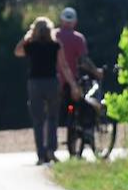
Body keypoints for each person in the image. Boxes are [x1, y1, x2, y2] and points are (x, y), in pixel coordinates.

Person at [14, 17, 81, 165]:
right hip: (52, 82)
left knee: (38, 121)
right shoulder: (56, 45)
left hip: (35, 83)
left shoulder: (31, 45)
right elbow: (64, 66)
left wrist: (27, 37)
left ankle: (41, 154)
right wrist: (73, 85)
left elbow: (17, 52)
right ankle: (51, 150)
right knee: (52, 118)